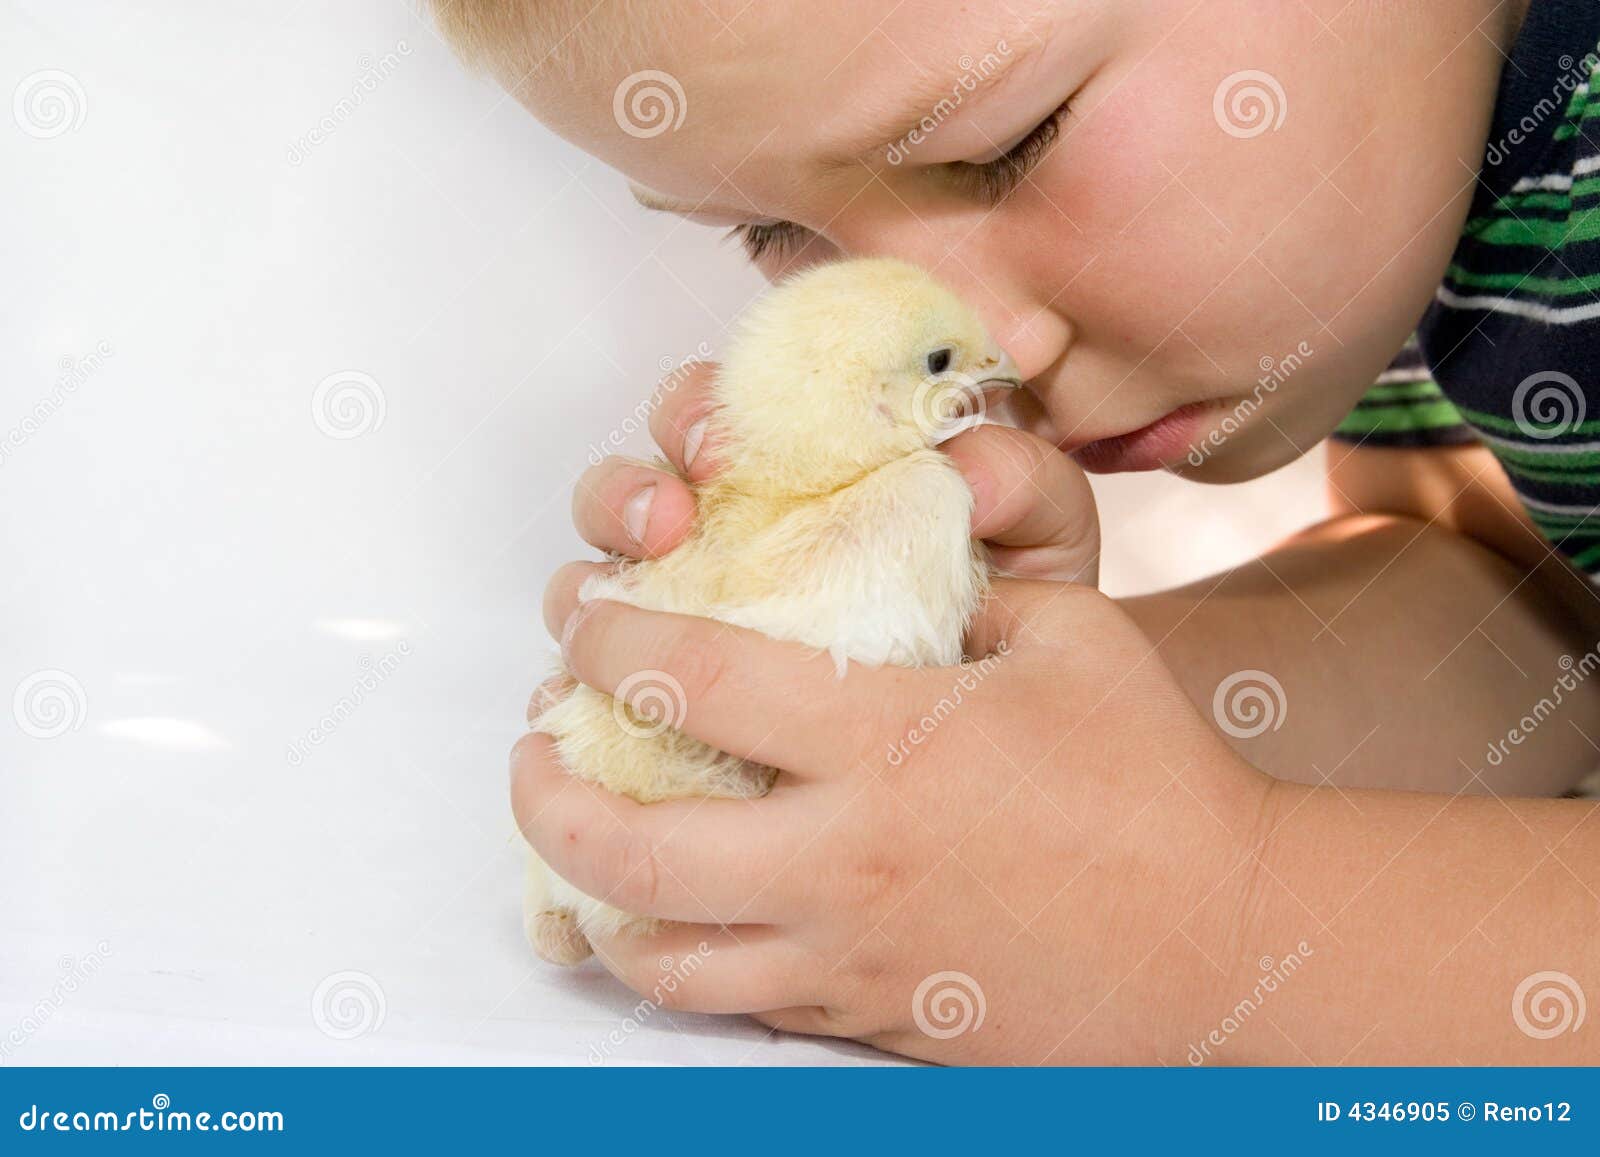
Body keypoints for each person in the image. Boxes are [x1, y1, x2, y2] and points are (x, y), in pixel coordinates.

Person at [433, 0, 1600, 1062]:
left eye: (1008, 145)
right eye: (773, 232)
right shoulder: (1442, 183)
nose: (996, 346)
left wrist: (1212, 923)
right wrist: (1002, 714)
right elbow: (1537, 608)